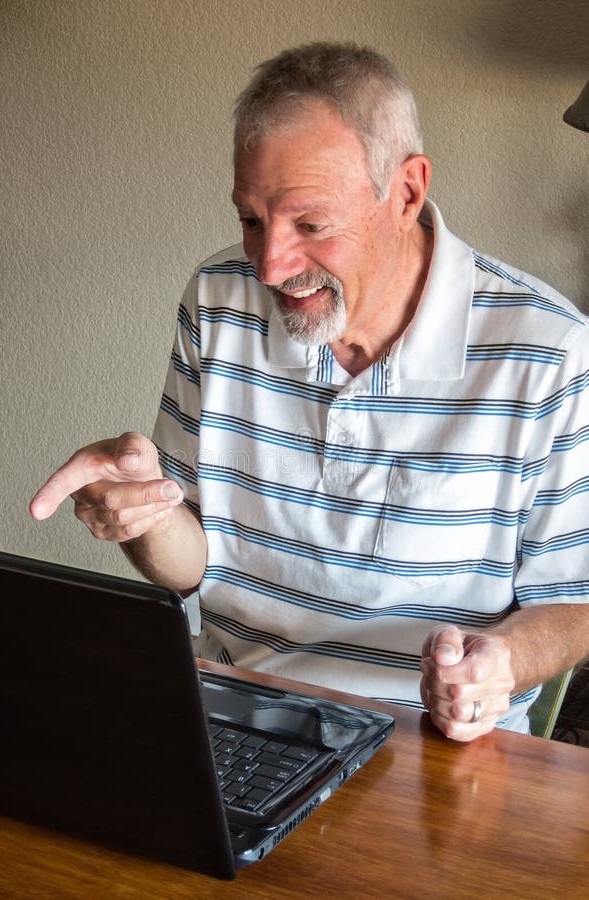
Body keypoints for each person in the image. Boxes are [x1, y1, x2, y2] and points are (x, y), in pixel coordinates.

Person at [30, 42, 589, 742]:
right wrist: (149, 513)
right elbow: (193, 567)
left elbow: (573, 602)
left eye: (310, 224)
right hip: (233, 716)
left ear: (407, 192)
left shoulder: (551, 350)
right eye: (251, 220)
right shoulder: (218, 299)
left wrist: (501, 665)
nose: (271, 264)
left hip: (430, 747)